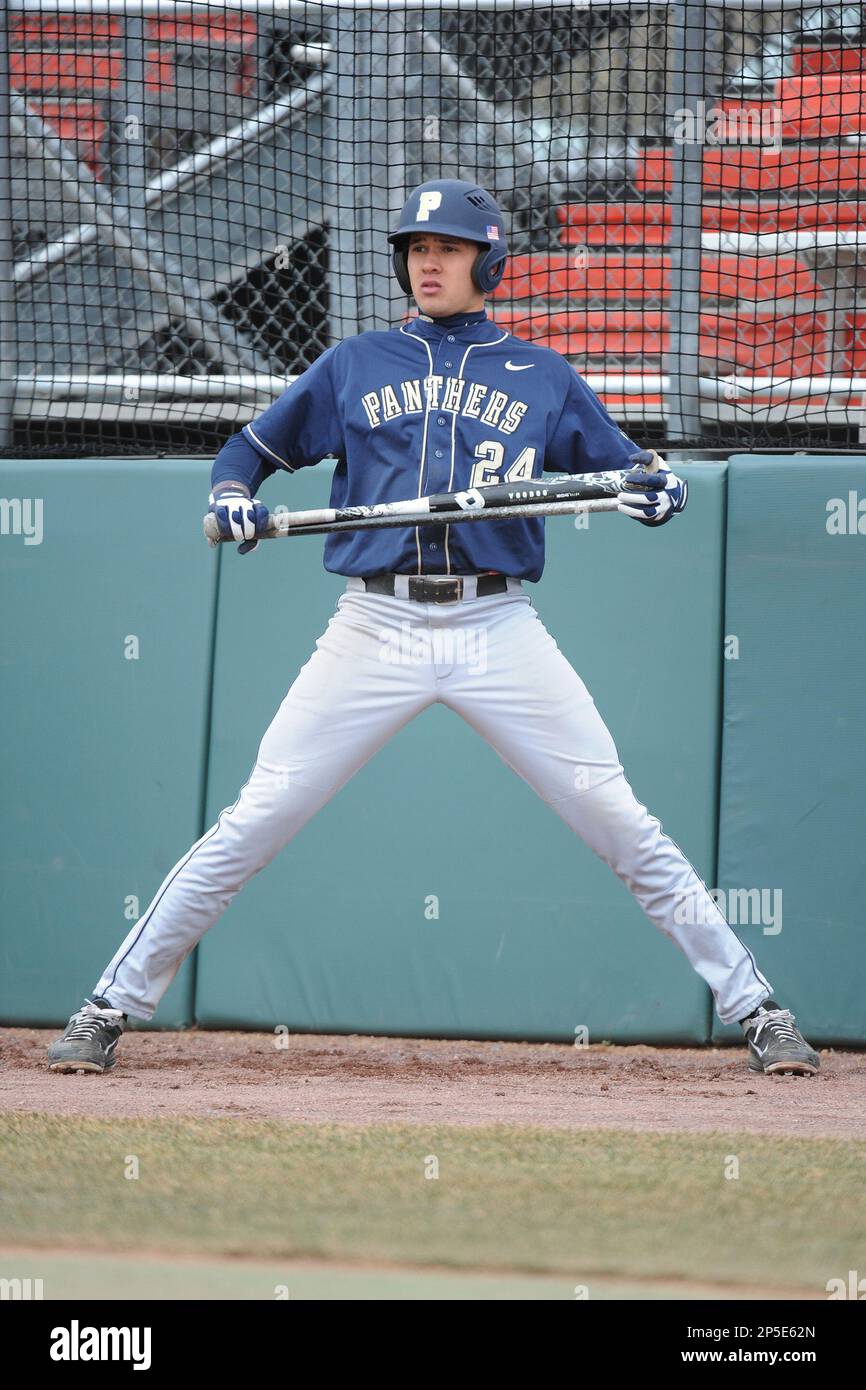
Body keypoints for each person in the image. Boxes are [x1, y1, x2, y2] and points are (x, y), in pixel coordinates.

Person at [47, 178, 819, 1080]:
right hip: (373, 624)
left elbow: (629, 477)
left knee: (621, 822)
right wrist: (231, 497)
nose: (428, 261)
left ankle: (758, 1010)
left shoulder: (542, 376)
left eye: (448, 248)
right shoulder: (357, 364)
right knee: (255, 820)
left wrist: (657, 488)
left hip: (498, 623)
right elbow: (249, 453)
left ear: (489, 261)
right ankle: (107, 1006)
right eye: (417, 248)